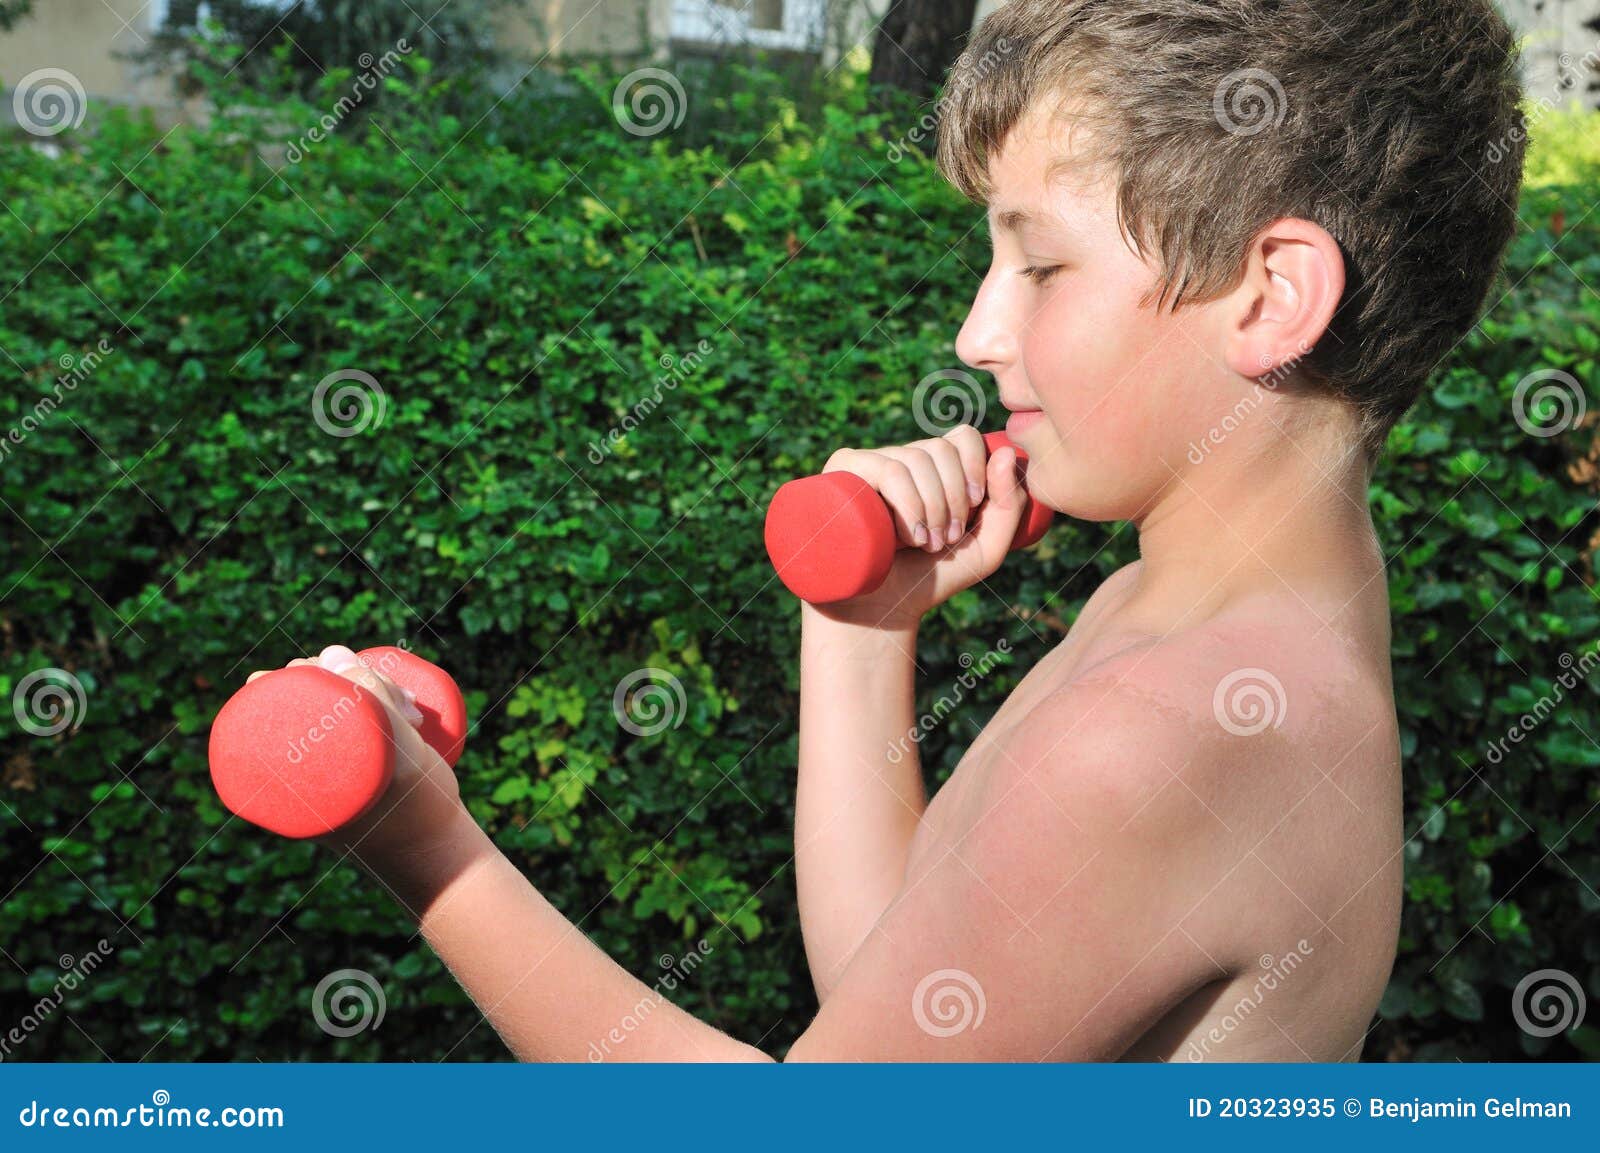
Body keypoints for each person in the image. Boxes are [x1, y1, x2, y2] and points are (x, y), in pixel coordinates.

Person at [258, 0, 1527, 1060]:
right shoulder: (1198, 615)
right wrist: (859, 630)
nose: (976, 334)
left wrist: (424, 845)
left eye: (1039, 267)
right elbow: (901, 989)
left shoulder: (1166, 726)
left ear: (1271, 296)